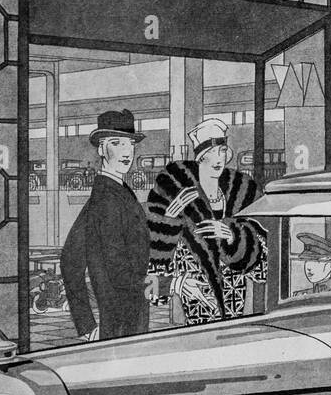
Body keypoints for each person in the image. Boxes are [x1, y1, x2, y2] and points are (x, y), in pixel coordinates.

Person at [146, 118, 267, 327]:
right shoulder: (177, 201)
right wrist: (169, 223)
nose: (217, 159)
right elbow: (151, 283)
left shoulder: (242, 198)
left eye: (221, 151)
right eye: (209, 154)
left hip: (235, 314)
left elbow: (262, 269)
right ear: (200, 159)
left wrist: (232, 235)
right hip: (197, 315)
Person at [60, 109, 151, 342]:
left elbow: (70, 257)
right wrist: (87, 325)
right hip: (122, 317)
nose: (126, 151)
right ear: (101, 149)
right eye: (116, 143)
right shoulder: (107, 198)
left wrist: (86, 325)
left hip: (126, 314)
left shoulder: (112, 192)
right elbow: (118, 269)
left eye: (130, 143)